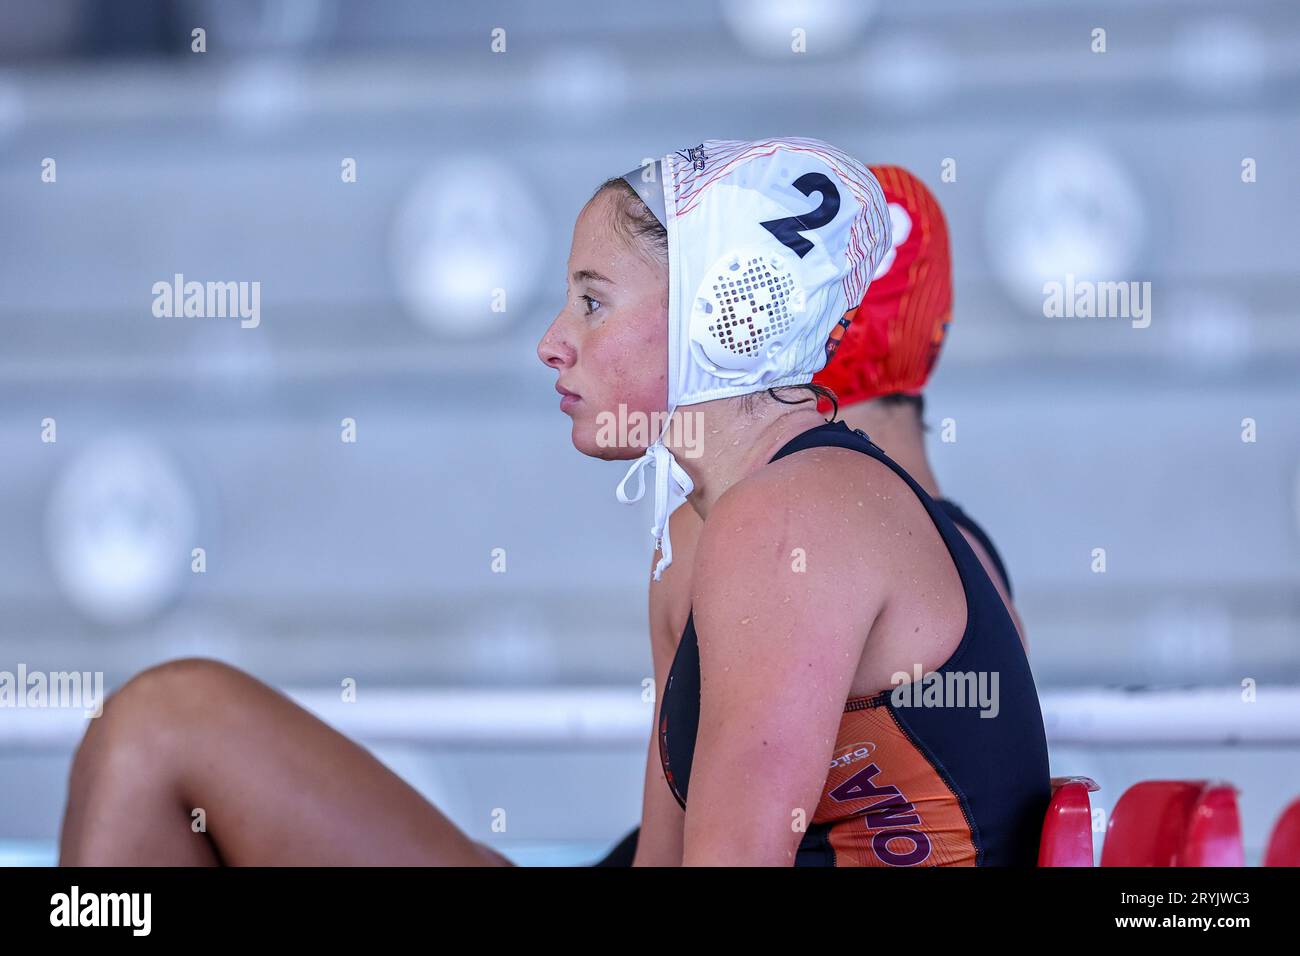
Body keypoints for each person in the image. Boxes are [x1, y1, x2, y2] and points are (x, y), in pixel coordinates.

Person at [543, 138, 1049, 866]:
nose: (553, 343)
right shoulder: (775, 500)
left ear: (719, 313)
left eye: (593, 302)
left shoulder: (786, 518)